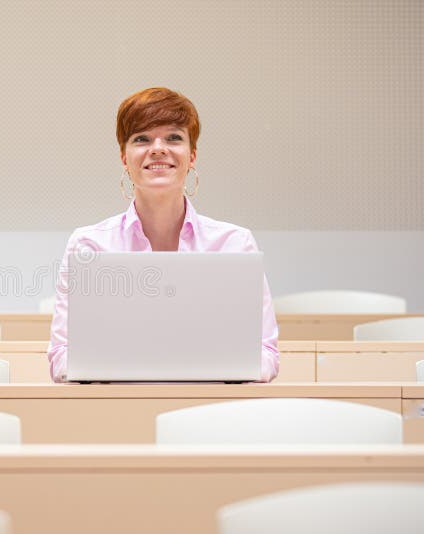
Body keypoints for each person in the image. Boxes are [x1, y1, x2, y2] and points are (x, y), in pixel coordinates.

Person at [47, 87, 279, 383]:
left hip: (208, 407)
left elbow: (266, 352)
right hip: (116, 409)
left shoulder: (234, 243)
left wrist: (220, 368)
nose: (158, 148)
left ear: (192, 156)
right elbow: (62, 355)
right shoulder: (89, 244)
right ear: (124, 157)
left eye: (174, 138)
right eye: (141, 138)